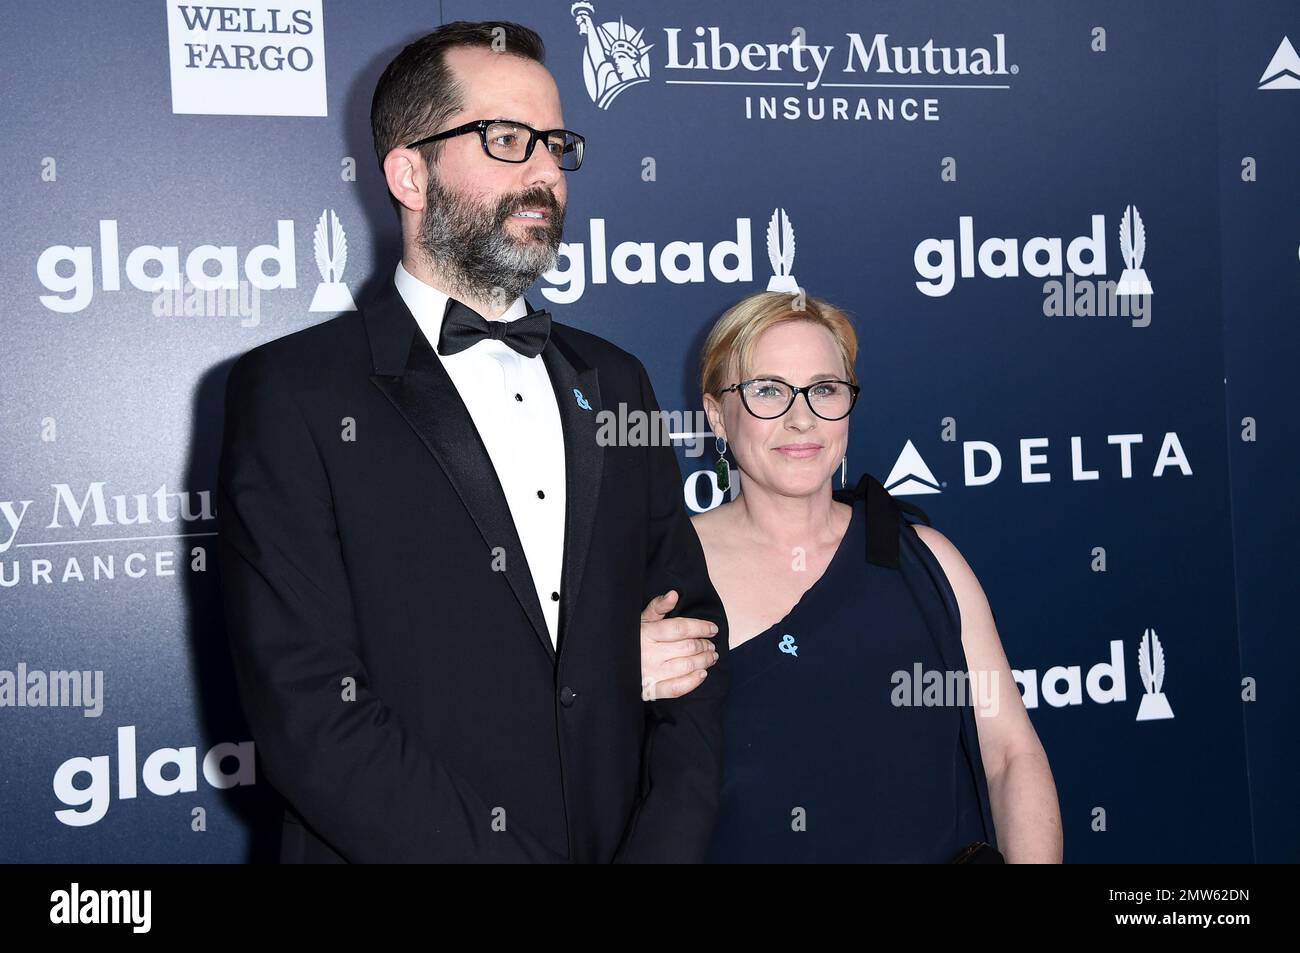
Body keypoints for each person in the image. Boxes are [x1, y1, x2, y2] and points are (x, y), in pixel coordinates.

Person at [217, 20, 725, 863]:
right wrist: (608, 669)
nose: (545, 172)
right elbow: (311, 714)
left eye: (556, 144)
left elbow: (693, 643)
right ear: (409, 173)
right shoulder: (294, 394)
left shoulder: (615, 380)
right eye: (506, 140)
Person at [651, 290, 1062, 862]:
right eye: (767, 390)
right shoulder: (661, 573)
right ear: (717, 414)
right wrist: (618, 677)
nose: (801, 418)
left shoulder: (925, 561)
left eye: (824, 390)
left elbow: (1010, 756)